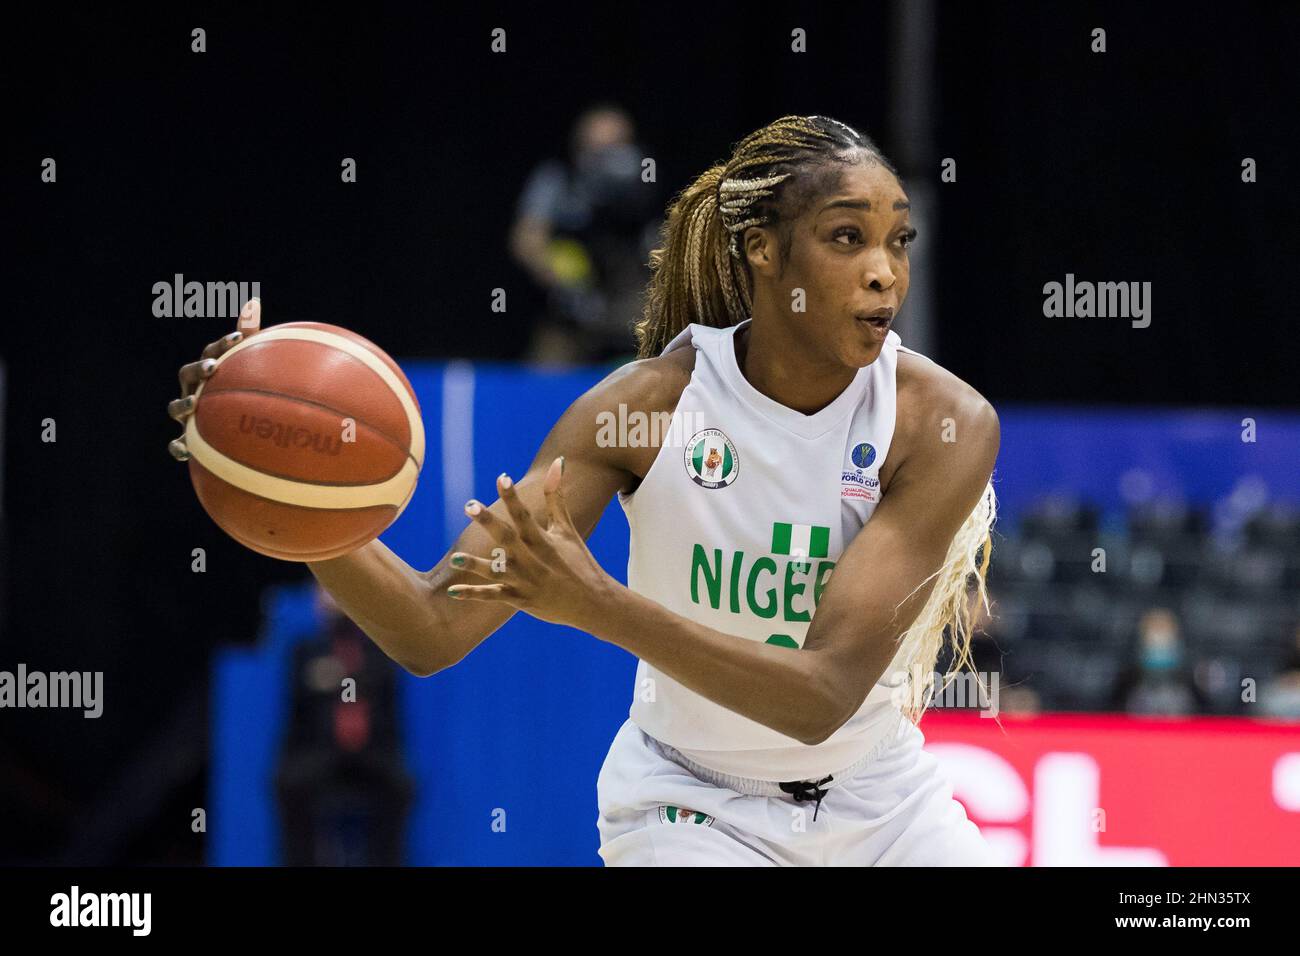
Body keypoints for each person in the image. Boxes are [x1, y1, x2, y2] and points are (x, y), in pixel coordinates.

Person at [168, 115, 1001, 866]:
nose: (885, 273)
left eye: (899, 241)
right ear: (762, 249)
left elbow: (820, 696)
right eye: (847, 238)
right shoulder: (644, 411)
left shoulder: (939, 423)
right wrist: (309, 501)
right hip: (693, 806)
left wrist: (598, 604)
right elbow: (431, 627)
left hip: (881, 799)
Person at [508, 103, 661, 364]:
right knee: (549, 369)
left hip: (632, 310)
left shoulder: (650, 184)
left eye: (617, 148)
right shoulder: (557, 180)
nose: (608, 160)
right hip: (570, 310)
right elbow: (526, 240)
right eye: (597, 149)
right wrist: (560, 278)